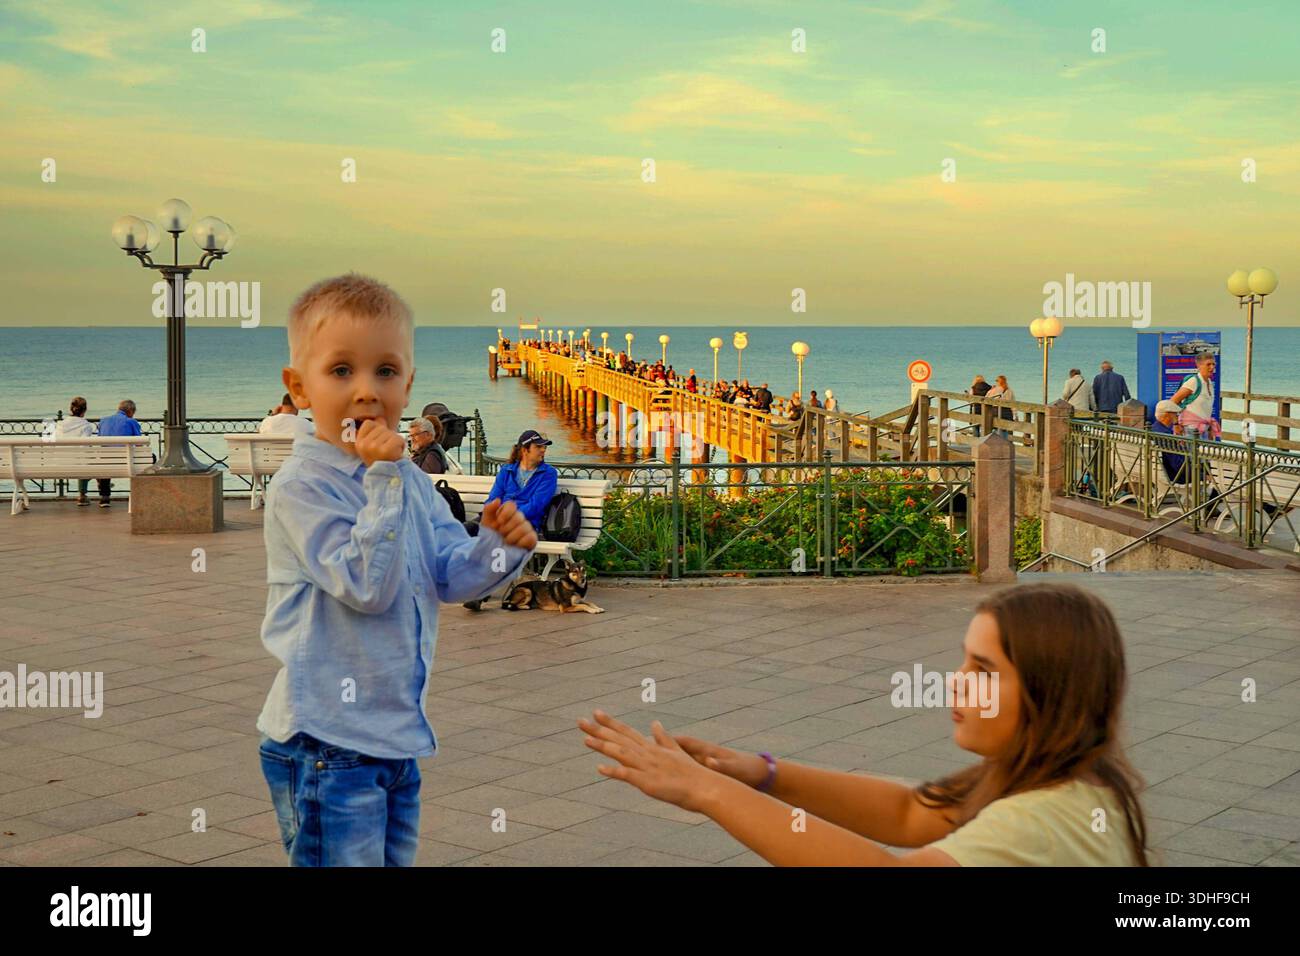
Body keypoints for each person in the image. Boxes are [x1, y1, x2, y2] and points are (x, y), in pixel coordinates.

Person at [256, 274, 536, 866]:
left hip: (394, 739)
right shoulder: (301, 488)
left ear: (407, 384)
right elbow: (363, 586)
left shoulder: (408, 480)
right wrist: (382, 477)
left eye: (385, 371)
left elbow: (448, 576)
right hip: (325, 743)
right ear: (299, 387)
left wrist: (498, 547)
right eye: (340, 371)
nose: (365, 391)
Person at [577, 582, 1150, 866]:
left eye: (983, 669)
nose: (954, 681)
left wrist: (708, 791)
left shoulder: (1043, 821)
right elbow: (910, 811)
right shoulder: (1068, 784)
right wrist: (761, 774)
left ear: (1048, 692)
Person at [462, 429, 560, 612]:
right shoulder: (507, 471)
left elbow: (536, 505)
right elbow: (492, 499)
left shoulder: (548, 474)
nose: (543, 451)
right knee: (465, 530)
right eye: (538, 447)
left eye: (544, 447)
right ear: (525, 450)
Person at [55, 397, 103, 506]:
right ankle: (87, 494)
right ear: (84, 410)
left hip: (59, 463)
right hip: (79, 463)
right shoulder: (86, 425)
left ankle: (89, 491)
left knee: (83, 460)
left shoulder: (60, 424)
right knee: (89, 461)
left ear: (71, 409)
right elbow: (84, 448)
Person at [95, 399, 143, 509]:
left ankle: (105, 497)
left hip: (105, 460)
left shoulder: (103, 421)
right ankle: (140, 492)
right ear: (130, 411)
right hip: (125, 461)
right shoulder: (131, 421)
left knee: (106, 458)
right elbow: (140, 443)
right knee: (150, 458)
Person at [1170, 351, 1220, 441]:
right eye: (1208, 364)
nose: (1212, 367)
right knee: (1192, 455)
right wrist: (1175, 425)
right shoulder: (1193, 382)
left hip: (1204, 429)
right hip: (1190, 429)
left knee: (1202, 455)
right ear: (1199, 366)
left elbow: (1205, 409)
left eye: (1213, 364)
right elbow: (1172, 402)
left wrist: (1209, 429)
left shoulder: (1210, 383)